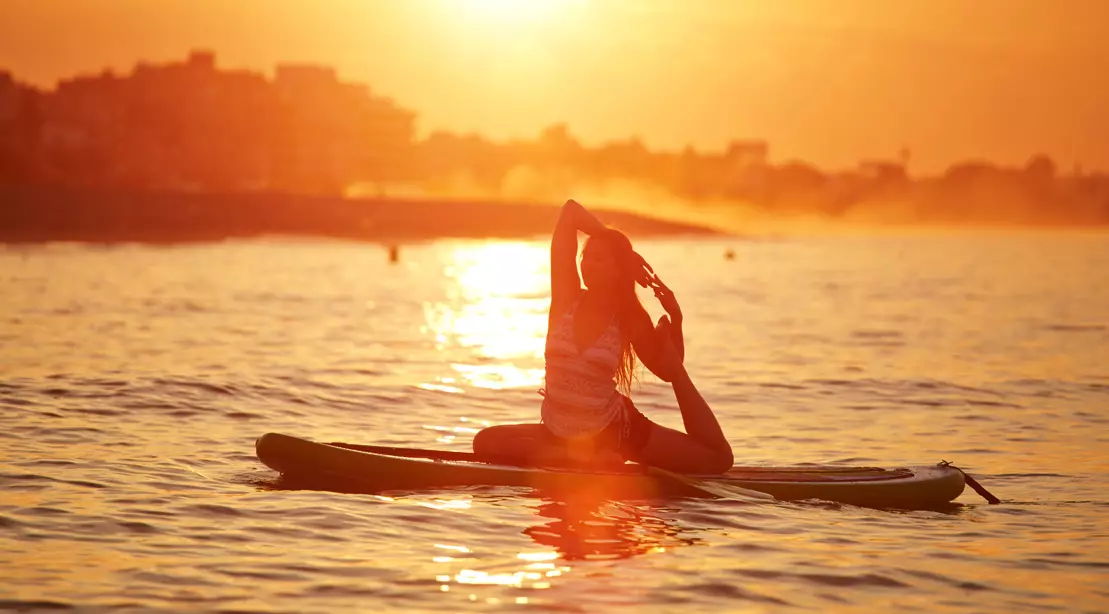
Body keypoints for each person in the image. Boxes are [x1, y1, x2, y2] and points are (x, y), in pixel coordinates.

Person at [472, 199, 734, 474]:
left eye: (599, 259)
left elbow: (668, 370)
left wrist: (676, 321)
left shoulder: (628, 316)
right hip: (557, 432)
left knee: (717, 460)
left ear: (617, 270)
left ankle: (582, 455)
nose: (587, 265)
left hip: (616, 432)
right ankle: (576, 457)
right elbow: (570, 211)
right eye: (586, 257)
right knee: (486, 441)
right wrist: (621, 248)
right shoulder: (566, 298)